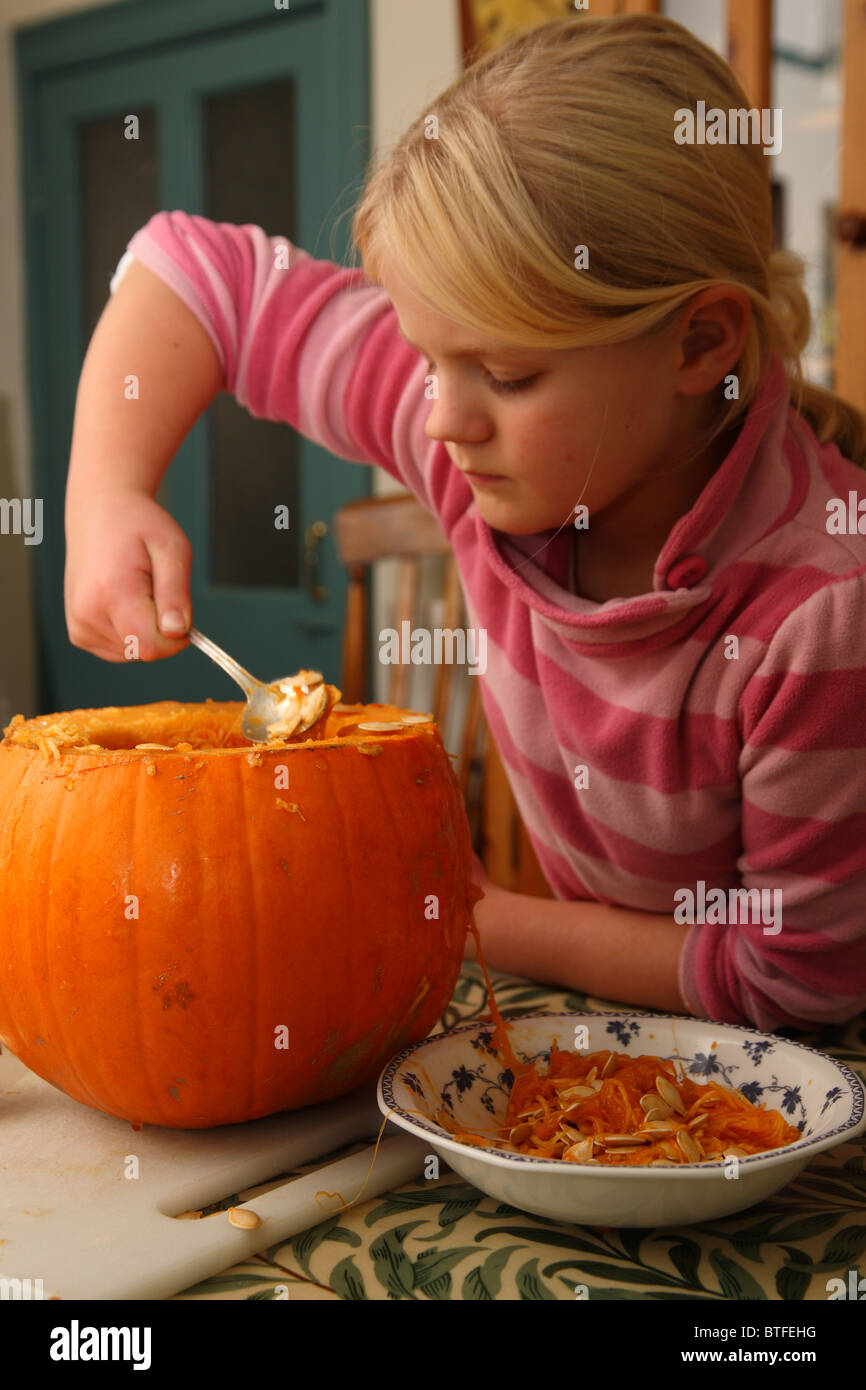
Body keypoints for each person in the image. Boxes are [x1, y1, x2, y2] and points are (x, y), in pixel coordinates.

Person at [64, 13, 866, 1032]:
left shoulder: (821, 610)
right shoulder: (467, 425)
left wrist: (479, 915)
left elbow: (796, 980)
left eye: (505, 373)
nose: (438, 417)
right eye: (423, 353)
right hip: (599, 1022)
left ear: (698, 342)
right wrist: (104, 496)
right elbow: (189, 272)